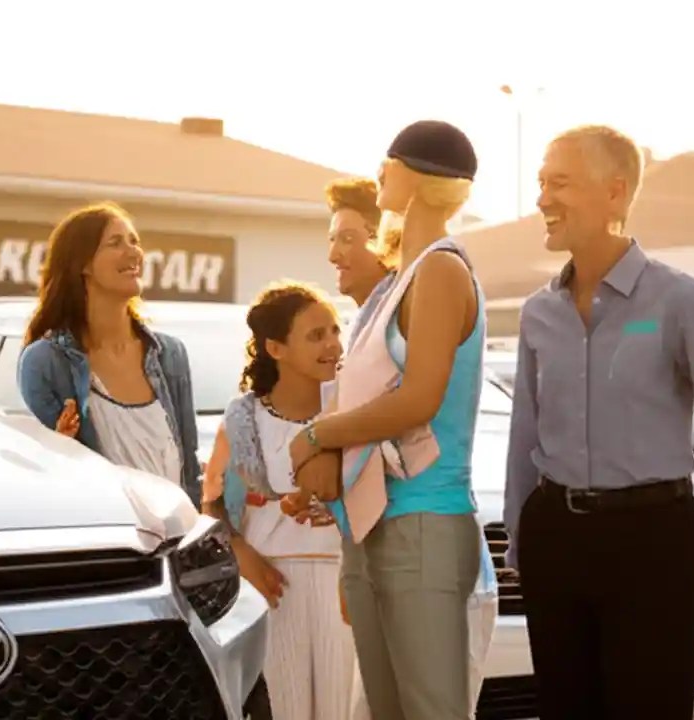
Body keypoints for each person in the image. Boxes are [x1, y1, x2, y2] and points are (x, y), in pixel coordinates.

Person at [503, 124, 694, 719]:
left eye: (561, 183)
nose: (544, 198)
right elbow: (526, 434)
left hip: (653, 544)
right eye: (541, 183)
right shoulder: (538, 313)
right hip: (557, 540)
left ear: (615, 193)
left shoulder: (684, 302)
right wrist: (522, 541)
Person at [288, 121, 487, 720]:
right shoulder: (404, 278)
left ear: (420, 179)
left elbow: (419, 399)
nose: (379, 170)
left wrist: (316, 436)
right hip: (375, 524)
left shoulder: (443, 271)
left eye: (390, 160)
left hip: (424, 523)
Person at [202, 280, 360, 720]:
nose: (332, 344)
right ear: (276, 348)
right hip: (270, 586)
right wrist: (241, 553)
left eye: (334, 331)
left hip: (343, 581)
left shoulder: (352, 413)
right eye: (315, 335)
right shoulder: (243, 418)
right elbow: (212, 502)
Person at [16, 202, 201, 503]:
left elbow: (190, 469)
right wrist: (61, 446)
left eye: (134, 242)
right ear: (83, 264)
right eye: (115, 243)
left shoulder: (170, 355)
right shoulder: (47, 362)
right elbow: (51, 476)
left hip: (173, 541)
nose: (133, 253)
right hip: (109, 538)